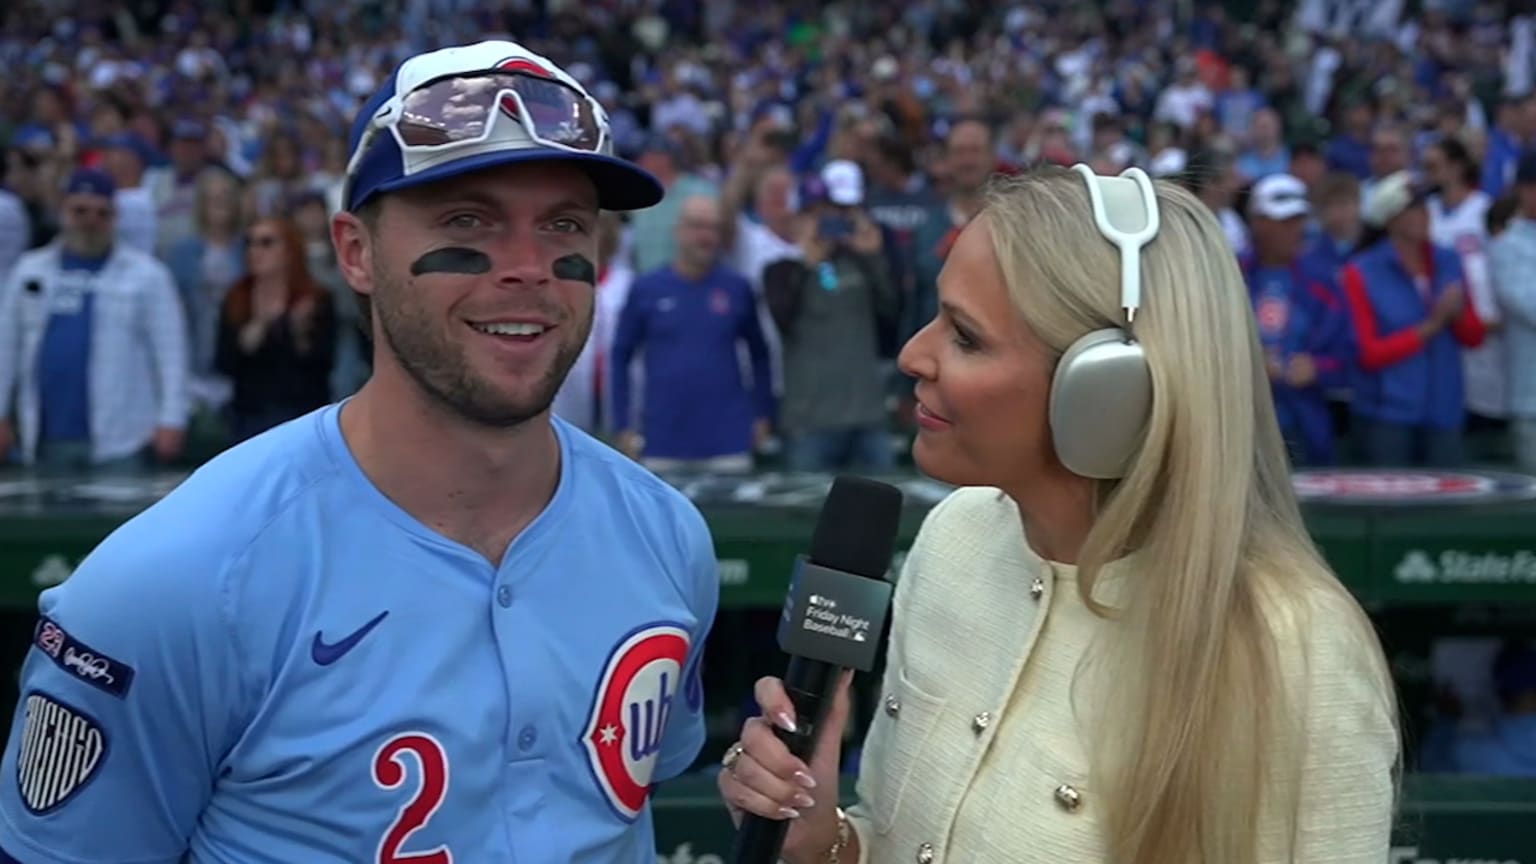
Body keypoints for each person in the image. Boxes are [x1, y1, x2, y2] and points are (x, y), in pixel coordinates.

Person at [0, 40, 718, 864]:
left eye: (563, 224)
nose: (528, 268)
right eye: (467, 220)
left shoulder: (667, 536)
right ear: (354, 252)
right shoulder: (175, 579)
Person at [717, 165, 1399, 864]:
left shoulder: (1299, 650)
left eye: (967, 336)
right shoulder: (953, 535)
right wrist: (827, 839)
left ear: (1109, 392)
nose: (913, 354)